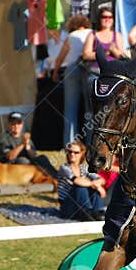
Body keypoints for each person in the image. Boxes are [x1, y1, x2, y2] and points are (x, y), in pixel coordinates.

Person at [52, 15, 92, 145]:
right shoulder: (91, 33)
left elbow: (60, 57)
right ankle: (90, 141)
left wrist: (55, 72)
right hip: (88, 68)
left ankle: (69, 143)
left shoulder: (71, 36)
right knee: (89, 109)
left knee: (70, 109)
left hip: (72, 69)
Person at [57, 140, 106, 221]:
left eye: (76, 152)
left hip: (78, 206)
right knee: (80, 187)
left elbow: (101, 179)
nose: (72, 154)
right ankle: (86, 211)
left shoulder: (84, 168)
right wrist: (96, 186)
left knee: (91, 187)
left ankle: (98, 211)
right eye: (70, 152)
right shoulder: (64, 168)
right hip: (67, 208)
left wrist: (97, 184)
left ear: (82, 154)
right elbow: (77, 181)